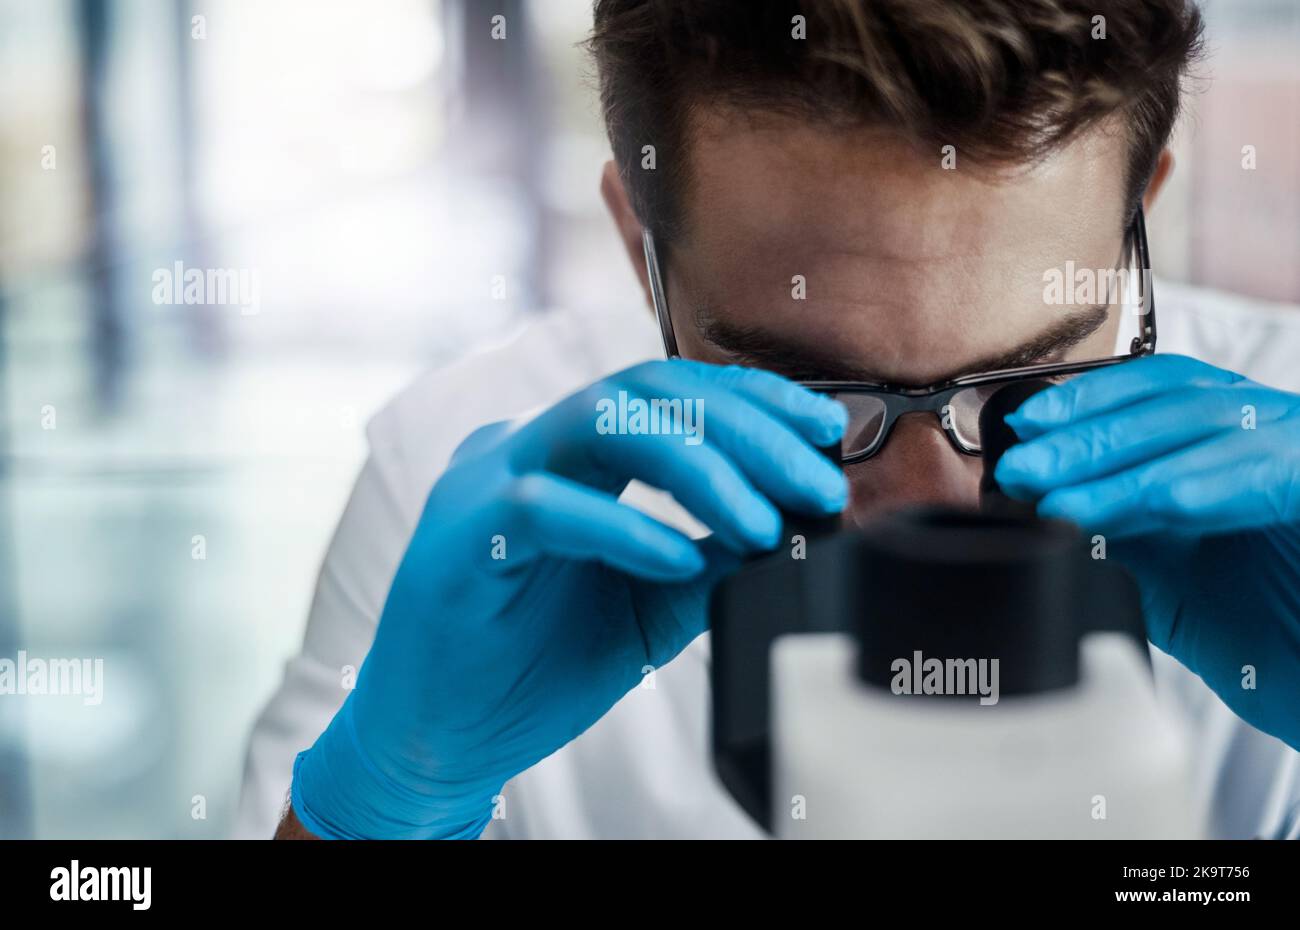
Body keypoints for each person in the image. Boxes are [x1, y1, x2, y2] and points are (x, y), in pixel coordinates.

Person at [236, 0, 1300, 839]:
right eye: (813, 395)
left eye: (1028, 378)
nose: (931, 505)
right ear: (637, 242)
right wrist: (386, 809)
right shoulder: (472, 483)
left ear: (1138, 217)